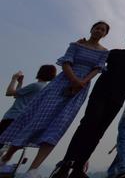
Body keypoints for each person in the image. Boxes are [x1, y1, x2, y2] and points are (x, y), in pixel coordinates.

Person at [0, 22, 110, 178]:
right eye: (97, 28)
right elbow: (66, 62)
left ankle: (33, 169)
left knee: (58, 125)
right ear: (91, 29)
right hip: (61, 84)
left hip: (79, 91)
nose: (99, 31)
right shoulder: (75, 45)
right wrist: (74, 80)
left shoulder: (104, 52)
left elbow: (97, 69)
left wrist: (82, 82)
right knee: (37, 118)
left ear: (105, 34)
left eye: (102, 30)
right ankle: (7, 156)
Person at [51, 32, 125, 178]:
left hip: (117, 99)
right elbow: (96, 59)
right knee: (88, 124)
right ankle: (66, 163)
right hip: (100, 93)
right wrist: (82, 45)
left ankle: (78, 168)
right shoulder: (114, 53)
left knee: (99, 132)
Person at [0, 65, 57, 136]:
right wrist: (20, 83)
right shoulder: (45, 88)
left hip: (12, 116)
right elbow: (17, 95)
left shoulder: (35, 86)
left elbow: (9, 93)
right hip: (23, 119)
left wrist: (14, 78)